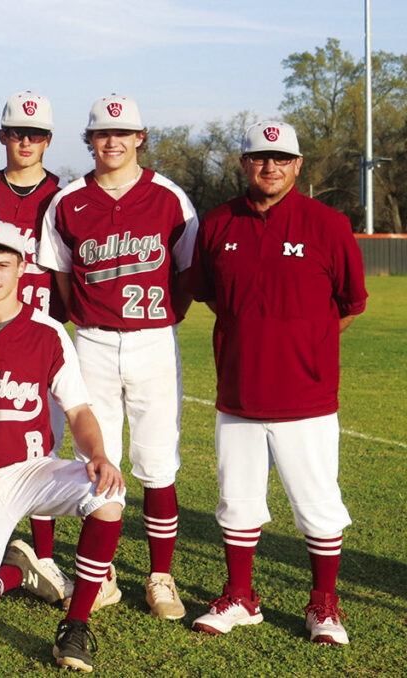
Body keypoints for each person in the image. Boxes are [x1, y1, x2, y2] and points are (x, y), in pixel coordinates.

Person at [188, 121, 367, 644]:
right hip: (239, 393)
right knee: (237, 500)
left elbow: (351, 303)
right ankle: (241, 597)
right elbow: (214, 297)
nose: (270, 167)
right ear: (244, 164)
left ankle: (324, 605)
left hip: (307, 397)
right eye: (259, 158)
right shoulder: (218, 222)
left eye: (281, 158)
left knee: (317, 504)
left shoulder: (328, 223)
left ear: (298, 164)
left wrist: (306, 342)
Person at [0, 222, 128, 672]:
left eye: (1, 264)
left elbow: (78, 410)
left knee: (109, 493)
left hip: (33, 471)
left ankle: (75, 625)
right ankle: (14, 570)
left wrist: (97, 454)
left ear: (21, 267)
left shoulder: (49, 331)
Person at [37, 95, 199, 621]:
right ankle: (100, 572)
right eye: (102, 133)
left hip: (154, 338)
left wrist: (164, 318)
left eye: (122, 132)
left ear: (139, 137)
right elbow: (62, 277)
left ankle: (160, 576)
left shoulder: (170, 197)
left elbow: (186, 274)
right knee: (94, 460)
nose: (112, 141)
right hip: (93, 340)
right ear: (89, 140)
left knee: (157, 462)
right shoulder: (67, 200)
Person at [0, 91, 73, 601]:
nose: (26, 141)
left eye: (36, 134)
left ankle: (41, 557)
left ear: (48, 140)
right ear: (2, 136)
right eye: (18, 132)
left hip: (45, 335)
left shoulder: (64, 197)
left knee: (44, 447)